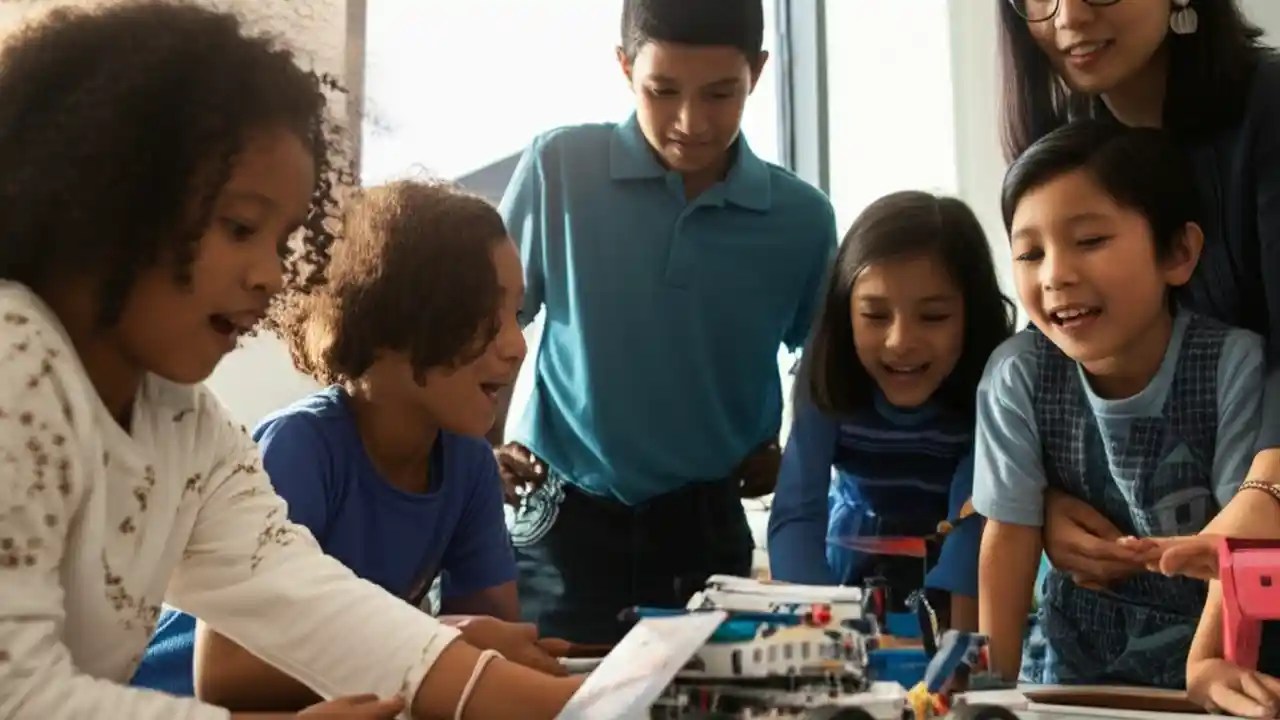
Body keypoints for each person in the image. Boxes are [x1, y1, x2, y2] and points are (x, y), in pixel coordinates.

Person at [0, 4, 579, 718]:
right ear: (111, 196)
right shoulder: (15, 357)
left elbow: (316, 603)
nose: (273, 275)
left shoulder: (184, 424)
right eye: (240, 227)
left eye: (282, 241)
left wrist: (585, 706)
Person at [130, 180, 566, 709]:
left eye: (516, 316)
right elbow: (227, 674)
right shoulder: (300, 447)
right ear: (397, 318)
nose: (517, 346)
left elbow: (488, 651)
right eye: (486, 317)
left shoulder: (469, 463)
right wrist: (445, 640)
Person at [491, 0, 838, 645]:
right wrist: (476, 449)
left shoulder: (803, 219)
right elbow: (487, 323)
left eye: (720, 94)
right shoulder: (558, 168)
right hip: (561, 519)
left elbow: (823, 359)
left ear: (758, 73)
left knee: (706, 693)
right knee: (552, 690)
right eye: (663, 90)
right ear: (626, 68)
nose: (690, 122)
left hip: (705, 526)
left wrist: (791, 453)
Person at [997, 0, 1280, 598]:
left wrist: (1265, 490)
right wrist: (1045, 499)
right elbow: (1058, 361)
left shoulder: (1269, 110)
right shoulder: (1070, 146)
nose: (1068, 16)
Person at [973, 120, 1265, 687]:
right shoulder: (1017, 375)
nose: (1055, 275)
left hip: (1212, 679)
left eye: (1089, 241)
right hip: (1066, 678)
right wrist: (992, 692)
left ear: (1178, 252)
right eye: (1030, 253)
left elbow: (1239, 539)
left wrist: (1219, 670)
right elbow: (1008, 538)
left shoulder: (1232, 365)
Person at [767, 191, 1014, 632]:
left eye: (933, 317)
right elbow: (797, 512)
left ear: (972, 316)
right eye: (875, 315)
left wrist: (956, 636)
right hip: (848, 565)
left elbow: (973, 519)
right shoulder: (825, 374)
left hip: (952, 570)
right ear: (845, 314)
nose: (900, 341)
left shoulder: (992, 386)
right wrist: (821, 620)